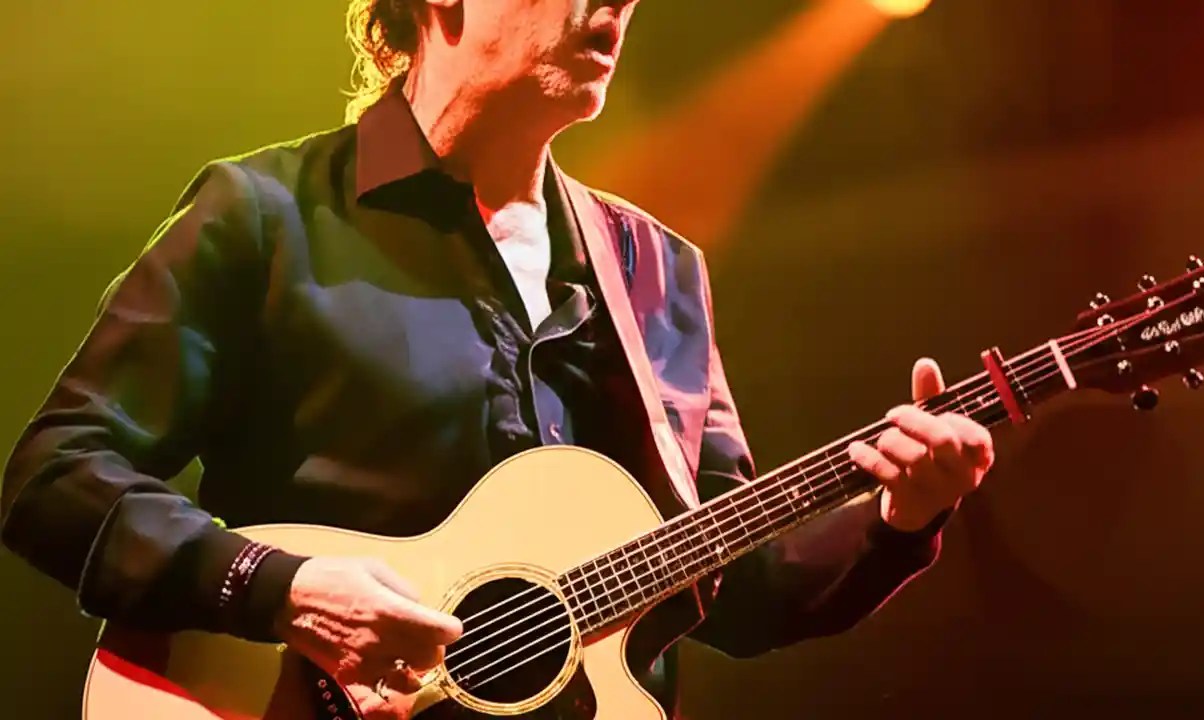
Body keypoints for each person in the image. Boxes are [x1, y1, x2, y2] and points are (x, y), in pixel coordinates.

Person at [0, 0, 995, 718]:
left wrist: (897, 521)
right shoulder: (262, 217)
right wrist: (282, 590)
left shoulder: (655, 273)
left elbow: (731, 589)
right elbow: (54, 477)